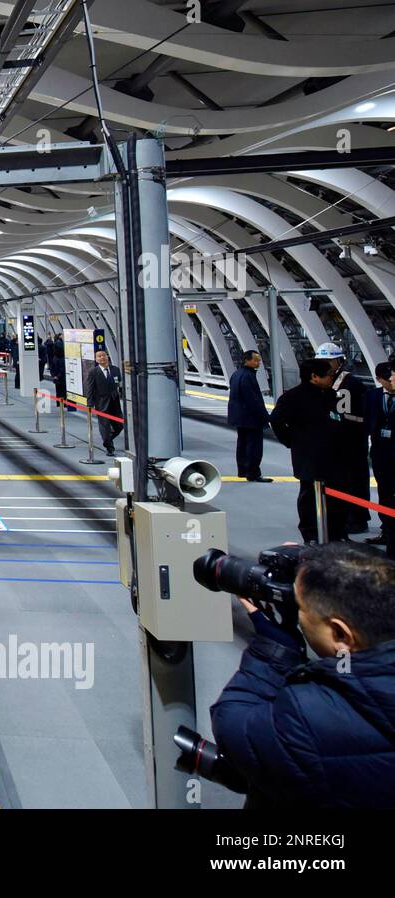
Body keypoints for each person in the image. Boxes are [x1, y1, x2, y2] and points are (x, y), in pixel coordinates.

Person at [209, 541, 395, 809]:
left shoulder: (309, 716)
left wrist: (274, 647)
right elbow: (347, 665)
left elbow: (233, 723)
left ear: (340, 634)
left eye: (300, 608)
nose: (298, 615)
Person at [269, 358, 346, 543]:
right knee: (309, 496)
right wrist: (292, 441)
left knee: (336, 497)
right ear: (314, 377)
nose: (332, 378)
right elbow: (276, 421)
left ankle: (337, 533)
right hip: (309, 456)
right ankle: (310, 534)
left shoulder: (330, 395)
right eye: (329, 375)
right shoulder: (293, 397)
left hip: (333, 454)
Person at [318, 343, 372, 535]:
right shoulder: (327, 381)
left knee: (355, 479)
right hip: (335, 440)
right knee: (339, 480)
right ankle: (344, 515)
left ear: (338, 360)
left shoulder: (351, 383)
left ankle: (358, 518)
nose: (324, 364)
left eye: (327, 360)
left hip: (352, 440)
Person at [228, 349, 273, 482]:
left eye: (259, 360)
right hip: (251, 418)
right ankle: (253, 473)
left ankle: (242, 470)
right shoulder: (248, 376)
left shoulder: (236, 374)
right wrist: (265, 417)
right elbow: (254, 400)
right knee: (254, 446)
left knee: (242, 444)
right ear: (247, 360)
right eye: (255, 360)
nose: (258, 362)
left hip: (239, 417)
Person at [365, 361, 395, 554]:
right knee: (384, 492)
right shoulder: (371, 397)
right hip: (380, 452)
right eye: (389, 378)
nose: (392, 382)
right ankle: (387, 530)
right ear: (379, 380)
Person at [84, 349, 124, 454]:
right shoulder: (93, 372)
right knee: (104, 426)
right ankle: (109, 447)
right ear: (96, 359)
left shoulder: (115, 370)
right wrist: (90, 404)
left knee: (119, 426)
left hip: (115, 403)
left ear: (107, 356)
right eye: (99, 356)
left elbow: (119, 384)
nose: (102, 357)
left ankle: (107, 439)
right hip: (101, 403)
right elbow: (90, 388)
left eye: (104, 355)